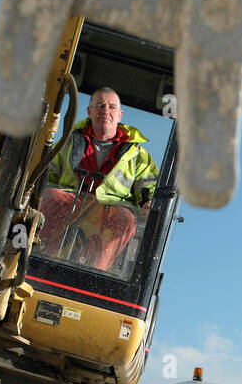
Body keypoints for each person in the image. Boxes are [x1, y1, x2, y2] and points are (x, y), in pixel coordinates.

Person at [39, 88, 159, 271]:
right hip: (72, 201)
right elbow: (47, 173)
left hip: (110, 209)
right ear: (89, 111)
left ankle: (95, 273)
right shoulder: (69, 142)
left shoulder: (137, 154)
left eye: (111, 107)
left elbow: (149, 185)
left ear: (119, 115)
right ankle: (41, 261)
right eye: (100, 105)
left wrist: (149, 204)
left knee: (125, 219)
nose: (106, 111)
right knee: (51, 196)